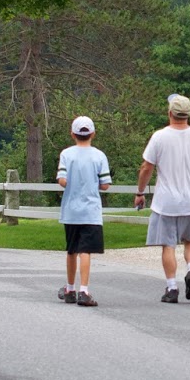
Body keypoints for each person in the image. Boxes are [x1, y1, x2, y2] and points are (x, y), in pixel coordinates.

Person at [135, 94, 190, 304]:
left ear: (170, 113)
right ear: (189, 114)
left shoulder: (159, 137)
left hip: (166, 202)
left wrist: (140, 192)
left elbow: (146, 168)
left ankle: (171, 287)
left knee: (168, 245)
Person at [56, 116, 112, 308]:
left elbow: (61, 179)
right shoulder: (99, 156)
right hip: (91, 211)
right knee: (85, 250)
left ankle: (70, 288)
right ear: (93, 134)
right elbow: (105, 185)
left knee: (71, 250)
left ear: (73, 134)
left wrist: (70, 181)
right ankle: (84, 290)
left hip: (71, 210)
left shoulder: (66, 154)